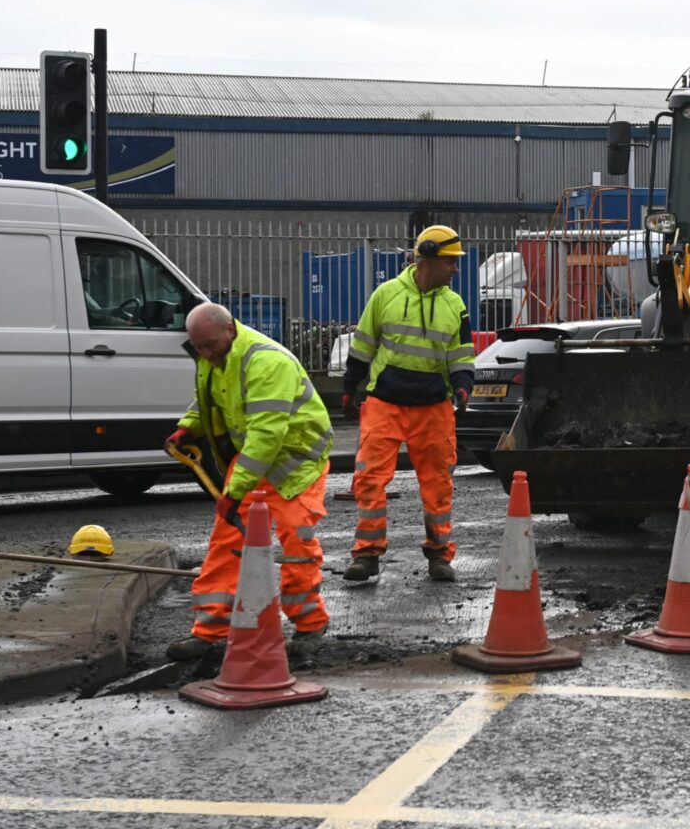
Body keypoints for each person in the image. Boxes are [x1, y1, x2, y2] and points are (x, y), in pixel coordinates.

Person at [164, 302, 333, 662]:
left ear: (230, 330)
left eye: (209, 346)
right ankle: (209, 629)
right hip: (255, 459)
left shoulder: (266, 362)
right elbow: (209, 400)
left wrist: (234, 492)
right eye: (199, 349)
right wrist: (187, 426)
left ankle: (310, 625)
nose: (205, 355)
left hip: (295, 460)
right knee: (226, 541)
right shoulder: (216, 357)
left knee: (295, 539)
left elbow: (266, 437)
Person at [339, 225, 476, 583]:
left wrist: (463, 385)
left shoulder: (455, 305)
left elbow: (462, 354)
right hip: (386, 403)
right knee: (369, 479)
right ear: (429, 257)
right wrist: (350, 387)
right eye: (451, 261)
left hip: (433, 406)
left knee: (438, 484)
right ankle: (367, 555)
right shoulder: (385, 295)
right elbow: (363, 345)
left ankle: (439, 555)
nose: (455, 269)